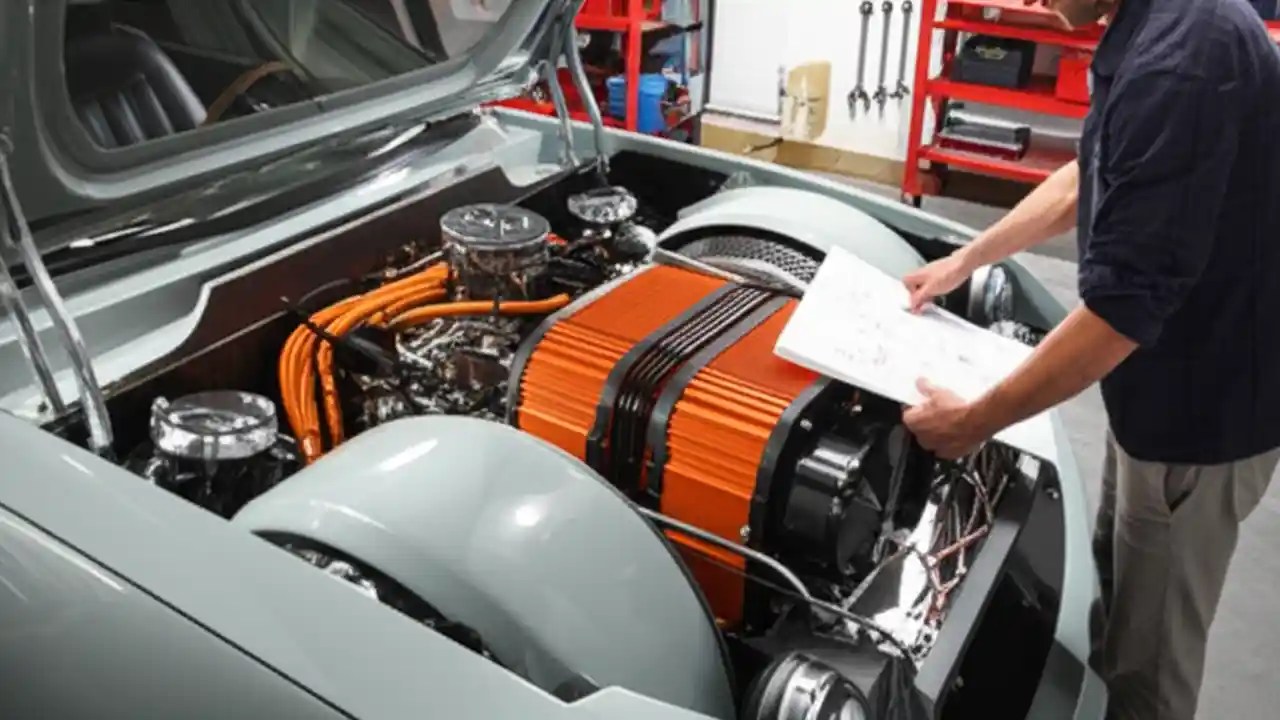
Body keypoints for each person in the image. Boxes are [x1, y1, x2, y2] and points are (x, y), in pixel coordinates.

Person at [899, 0, 1280, 718]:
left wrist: (976, 421)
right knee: (1122, 607)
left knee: (1149, 672)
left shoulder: (1180, 63)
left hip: (1199, 418)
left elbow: (1121, 312)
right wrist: (965, 259)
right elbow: (1088, 174)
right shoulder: (1160, 25)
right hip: (1160, 391)